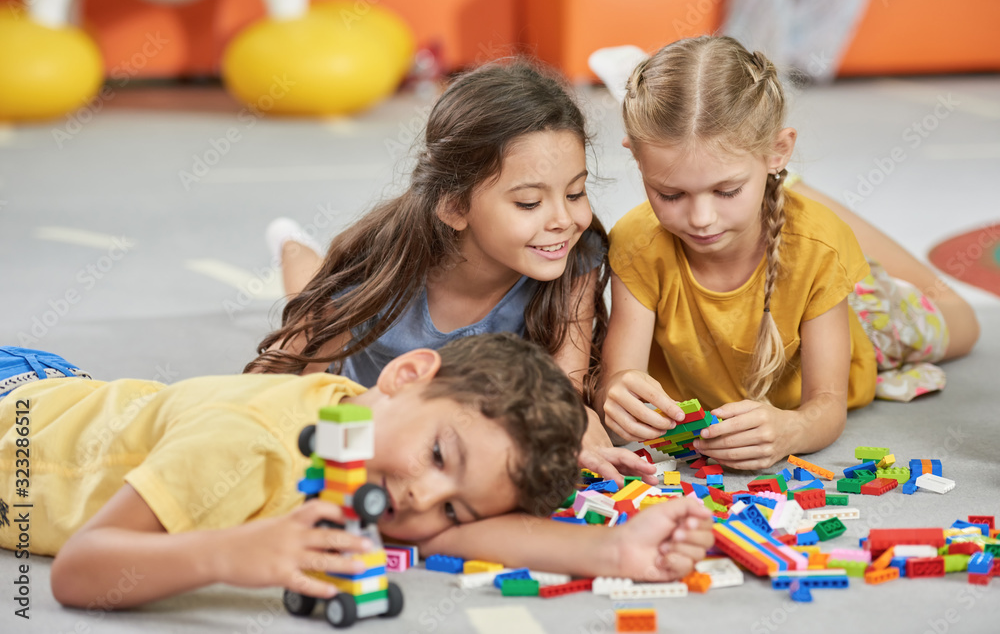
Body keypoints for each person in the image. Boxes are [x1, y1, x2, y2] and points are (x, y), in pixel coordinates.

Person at [0, 334, 713, 610]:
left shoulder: (371, 441)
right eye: (440, 458)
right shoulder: (250, 447)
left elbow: (448, 538)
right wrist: (229, 553)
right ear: (405, 374)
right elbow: (80, 570)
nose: (420, 499)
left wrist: (614, 550)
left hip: (74, 395)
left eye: (454, 506)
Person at [251, 59, 652, 485]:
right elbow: (293, 376)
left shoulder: (574, 255)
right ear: (455, 207)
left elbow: (564, 382)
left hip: (449, 413)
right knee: (307, 295)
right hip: (374, 397)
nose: (563, 220)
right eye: (530, 203)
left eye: (575, 192)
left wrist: (577, 420)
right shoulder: (378, 265)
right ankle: (292, 245)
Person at [597, 36, 980, 470]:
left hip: (861, 315)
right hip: (779, 231)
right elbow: (617, 378)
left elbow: (827, 405)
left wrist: (793, 430)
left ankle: (782, 185)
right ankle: (760, 185)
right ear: (636, 160)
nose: (701, 218)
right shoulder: (635, 241)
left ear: (779, 147)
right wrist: (618, 391)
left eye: (726, 190)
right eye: (670, 193)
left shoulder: (819, 246)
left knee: (962, 320)